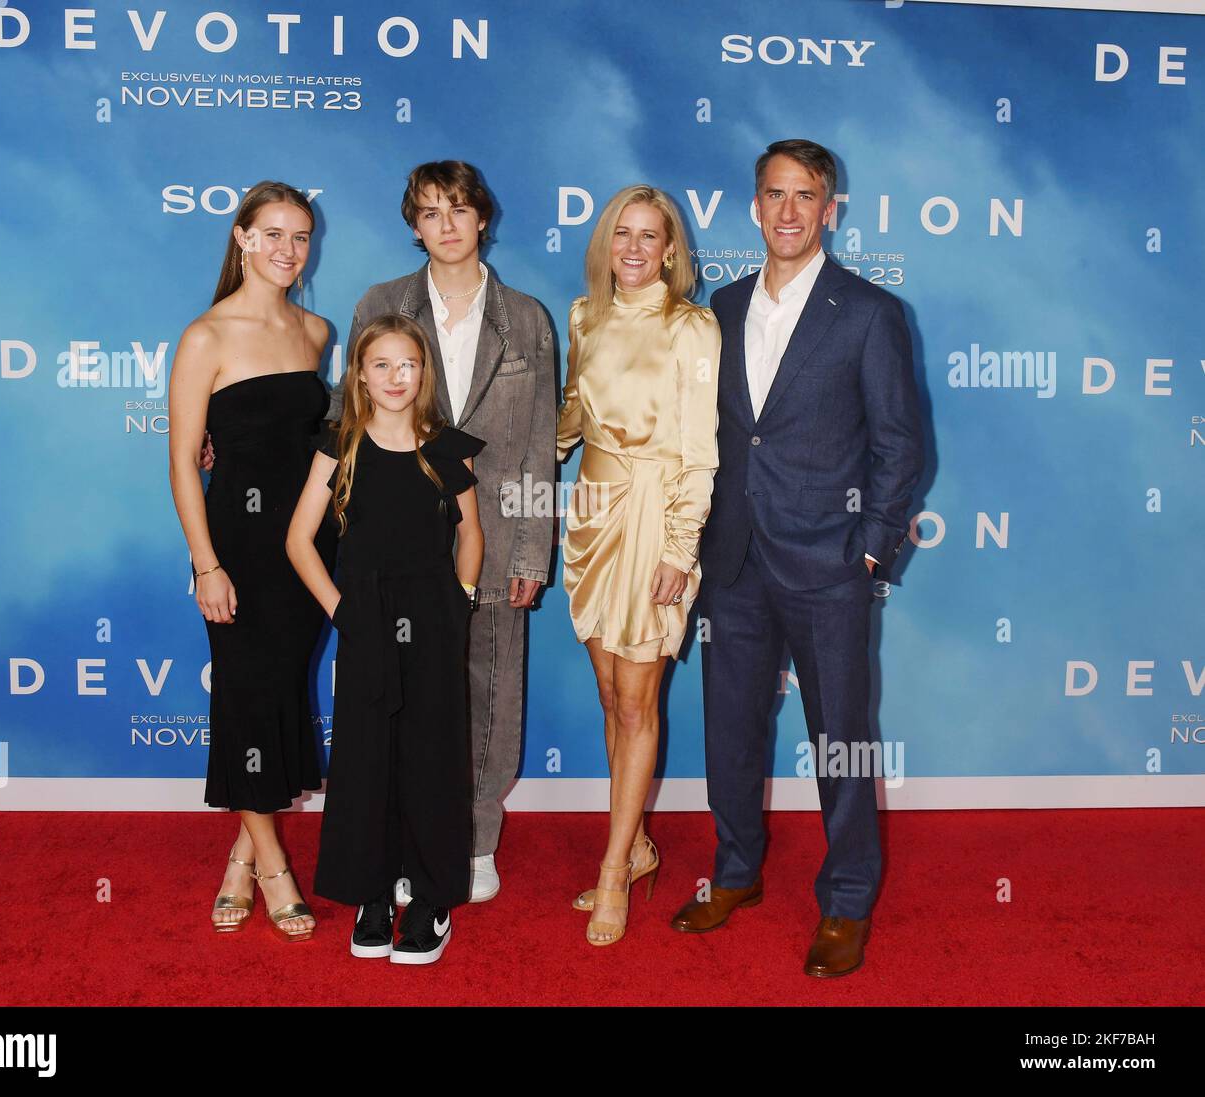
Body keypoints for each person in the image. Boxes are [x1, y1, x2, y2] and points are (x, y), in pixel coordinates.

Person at [669, 140, 925, 978]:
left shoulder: (869, 313)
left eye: (804, 195)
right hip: (734, 560)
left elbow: (900, 448)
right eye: (773, 194)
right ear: (755, 206)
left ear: (830, 209)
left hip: (829, 566)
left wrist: (868, 554)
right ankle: (735, 872)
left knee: (841, 741)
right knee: (731, 732)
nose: (787, 211)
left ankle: (847, 898)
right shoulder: (725, 303)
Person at [326, 161, 555, 904]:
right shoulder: (381, 303)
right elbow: (346, 420)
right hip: (394, 542)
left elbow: (539, 441)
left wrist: (530, 549)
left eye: (459, 208)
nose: (447, 224)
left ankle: (478, 836)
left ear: (482, 217)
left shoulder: (526, 319)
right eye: (430, 212)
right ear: (414, 225)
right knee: (398, 700)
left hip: (489, 537)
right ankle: (402, 841)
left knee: (490, 692)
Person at [168, 180, 337, 942]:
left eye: (299, 237)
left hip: (308, 544)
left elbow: (319, 446)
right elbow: (181, 462)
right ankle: (272, 868)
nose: (287, 250)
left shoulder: (317, 331)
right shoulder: (205, 335)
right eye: (272, 234)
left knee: (282, 693)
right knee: (246, 694)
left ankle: (241, 857)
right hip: (235, 546)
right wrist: (205, 563)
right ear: (241, 237)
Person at [287, 314, 484, 965]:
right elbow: (298, 539)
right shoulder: (338, 443)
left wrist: (459, 602)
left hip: (433, 616)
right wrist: (342, 612)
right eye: (382, 365)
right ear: (361, 373)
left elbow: (471, 535)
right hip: (365, 616)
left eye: (409, 364)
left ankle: (429, 898)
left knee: (432, 757)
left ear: (423, 373)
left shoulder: (445, 446)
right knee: (366, 757)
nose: (396, 377)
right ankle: (372, 894)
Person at [556, 185, 720, 946]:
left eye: (649, 236)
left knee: (635, 702)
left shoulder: (692, 326)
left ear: (670, 250)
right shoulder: (583, 316)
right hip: (592, 512)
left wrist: (681, 550)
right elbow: (567, 416)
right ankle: (640, 841)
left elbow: (701, 452)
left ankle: (616, 865)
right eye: (621, 233)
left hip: (656, 517)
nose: (632, 248)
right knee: (607, 694)